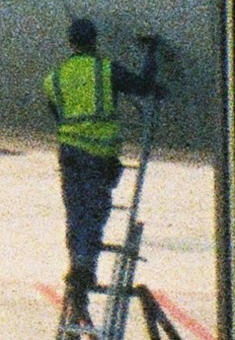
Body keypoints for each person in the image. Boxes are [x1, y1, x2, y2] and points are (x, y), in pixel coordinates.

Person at [47, 19, 161, 283]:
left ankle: (78, 264)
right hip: (97, 153)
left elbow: (58, 113)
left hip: (69, 153)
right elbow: (142, 86)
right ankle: (85, 266)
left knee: (76, 211)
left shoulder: (55, 77)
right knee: (95, 210)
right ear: (94, 41)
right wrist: (151, 53)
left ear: (70, 42)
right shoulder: (104, 70)